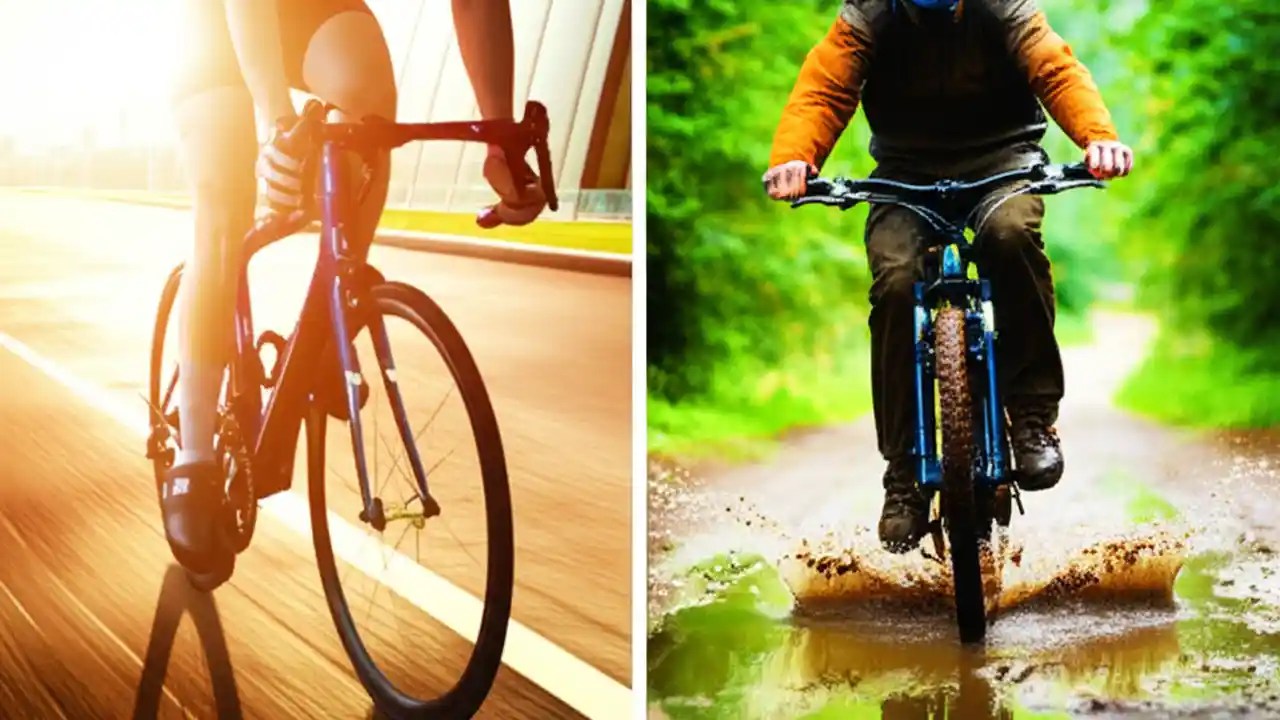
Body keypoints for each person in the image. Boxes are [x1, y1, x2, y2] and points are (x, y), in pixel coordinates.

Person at [163, 0, 546, 577]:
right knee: (223, 206)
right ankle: (192, 456)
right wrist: (275, 122)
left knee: (370, 102)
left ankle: (328, 322)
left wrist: (501, 141)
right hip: (219, 20)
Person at [762, 0, 1134, 553]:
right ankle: (905, 474)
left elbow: (1054, 67)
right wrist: (795, 157)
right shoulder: (870, 12)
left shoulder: (1003, 6)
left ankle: (1031, 417)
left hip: (1003, 164)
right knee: (894, 281)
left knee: (1010, 237)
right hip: (905, 175)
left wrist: (1095, 137)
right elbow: (825, 87)